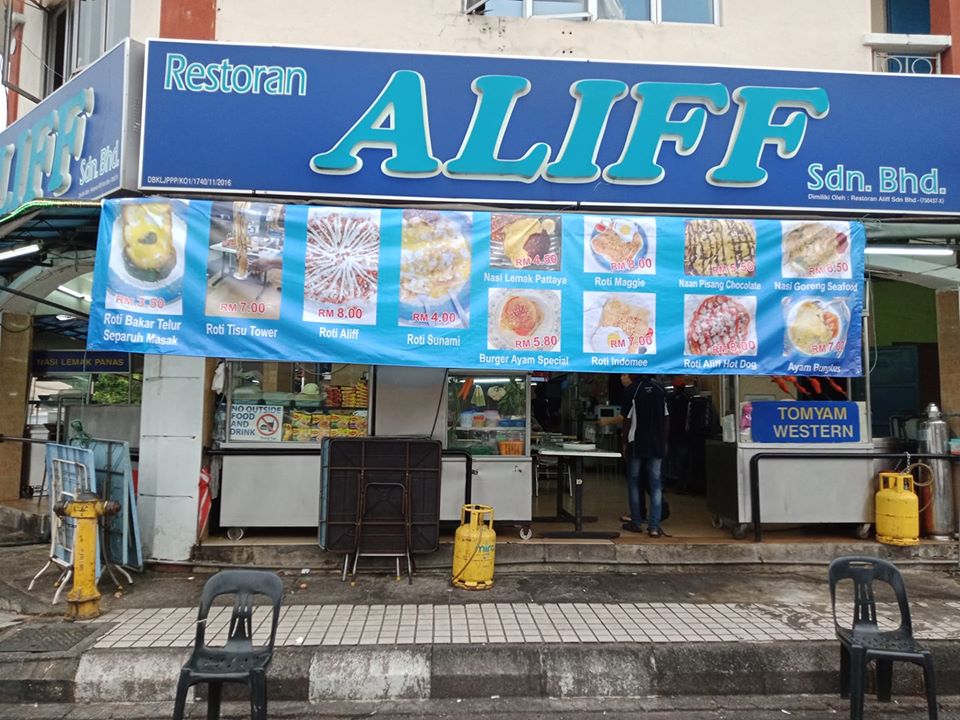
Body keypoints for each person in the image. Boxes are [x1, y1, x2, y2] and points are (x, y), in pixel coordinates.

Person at [604, 373, 670, 537]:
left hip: (637, 443)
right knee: (655, 485)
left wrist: (625, 443)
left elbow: (627, 419)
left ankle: (636, 521)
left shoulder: (632, 390)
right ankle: (654, 527)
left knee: (634, 482)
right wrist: (664, 441)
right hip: (657, 444)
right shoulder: (660, 390)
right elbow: (667, 418)